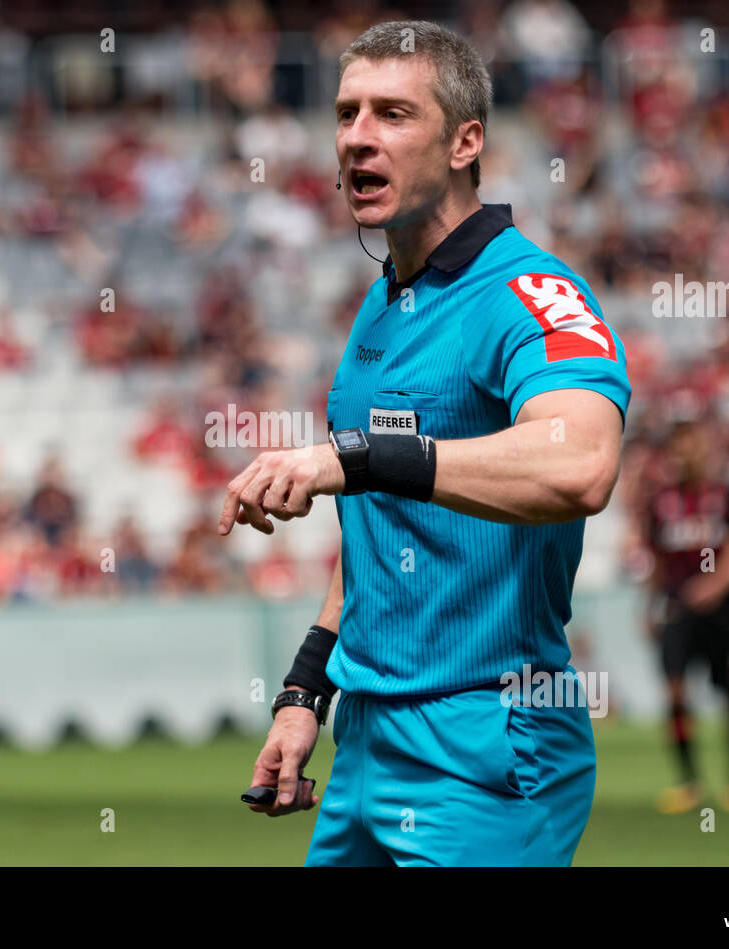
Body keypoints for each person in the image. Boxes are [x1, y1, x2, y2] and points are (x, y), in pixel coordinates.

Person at [219, 20, 629, 865]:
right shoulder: (380, 303)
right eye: (347, 114)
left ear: (464, 141)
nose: (357, 138)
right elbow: (380, 538)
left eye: (393, 114)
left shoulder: (532, 292)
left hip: (489, 736)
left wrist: (358, 460)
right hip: (366, 739)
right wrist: (305, 691)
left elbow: (581, 463)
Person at [644, 418, 729, 813]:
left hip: (719, 610)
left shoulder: (726, 496)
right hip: (676, 607)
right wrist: (649, 606)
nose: (688, 454)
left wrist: (714, 585)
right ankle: (689, 782)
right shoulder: (661, 501)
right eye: (681, 446)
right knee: (673, 689)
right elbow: (655, 559)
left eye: (694, 446)